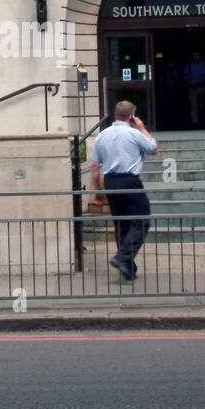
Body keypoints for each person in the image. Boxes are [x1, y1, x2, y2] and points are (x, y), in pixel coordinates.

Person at [89, 100, 158, 281]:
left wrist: (97, 192)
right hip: (129, 181)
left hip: (110, 181)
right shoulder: (133, 133)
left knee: (121, 223)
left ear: (115, 114)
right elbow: (154, 149)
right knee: (142, 220)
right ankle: (123, 257)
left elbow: (95, 167)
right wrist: (142, 128)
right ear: (132, 116)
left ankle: (127, 267)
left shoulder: (102, 135)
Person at [183, 51, 205, 126]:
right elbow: (185, 76)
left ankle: (202, 120)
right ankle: (195, 122)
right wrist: (190, 81)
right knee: (193, 105)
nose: (196, 57)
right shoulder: (189, 65)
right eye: (195, 55)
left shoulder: (204, 65)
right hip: (192, 88)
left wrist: (200, 82)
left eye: (197, 55)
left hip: (201, 87)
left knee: (201, 105)